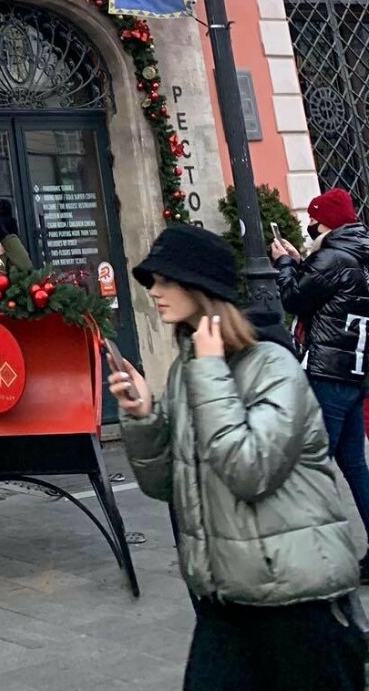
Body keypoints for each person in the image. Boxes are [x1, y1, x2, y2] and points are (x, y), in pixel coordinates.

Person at [109, 223, 365, 691]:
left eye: (165, 281)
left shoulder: (271, 364)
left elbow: (249, 470)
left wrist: (209, 371)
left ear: (200, 287)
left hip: (297, 600)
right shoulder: (188, 371)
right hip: (225, 601)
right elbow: (167, 486)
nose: (154, 293)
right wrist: (144, 417)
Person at [270, 186, 369, 580]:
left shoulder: (332, 257)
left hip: (328, 374)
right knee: (355, 465)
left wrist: (284, 264)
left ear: (325, 222)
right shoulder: (357, 253)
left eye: (313, 221)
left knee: (309, 468)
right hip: (356, 373)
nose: (309, 227)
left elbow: (294, 298)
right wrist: (302, 261)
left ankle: (317, 560)